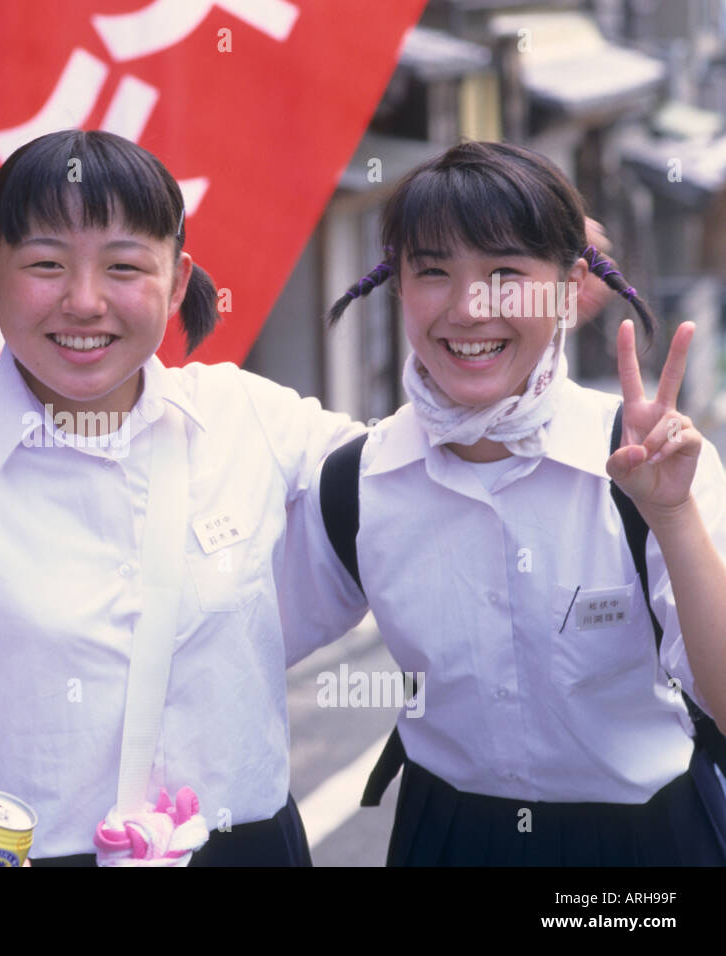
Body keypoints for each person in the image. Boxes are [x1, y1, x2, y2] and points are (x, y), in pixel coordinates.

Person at [0, 129, 364, 864]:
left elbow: (423, 478)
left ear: (176, 281)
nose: (83, 301)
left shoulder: (253, 420)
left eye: (124, 266)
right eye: (45, 264)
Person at [304, 140, 726, 865]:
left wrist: (674, 515)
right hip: (447, 840)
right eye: (434, 272)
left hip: (648, 843)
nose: (470, 309)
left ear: (567, 291)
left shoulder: (652, 459)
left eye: (506, 274)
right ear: (400, 286)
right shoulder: (356, 481)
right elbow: (234, 640)